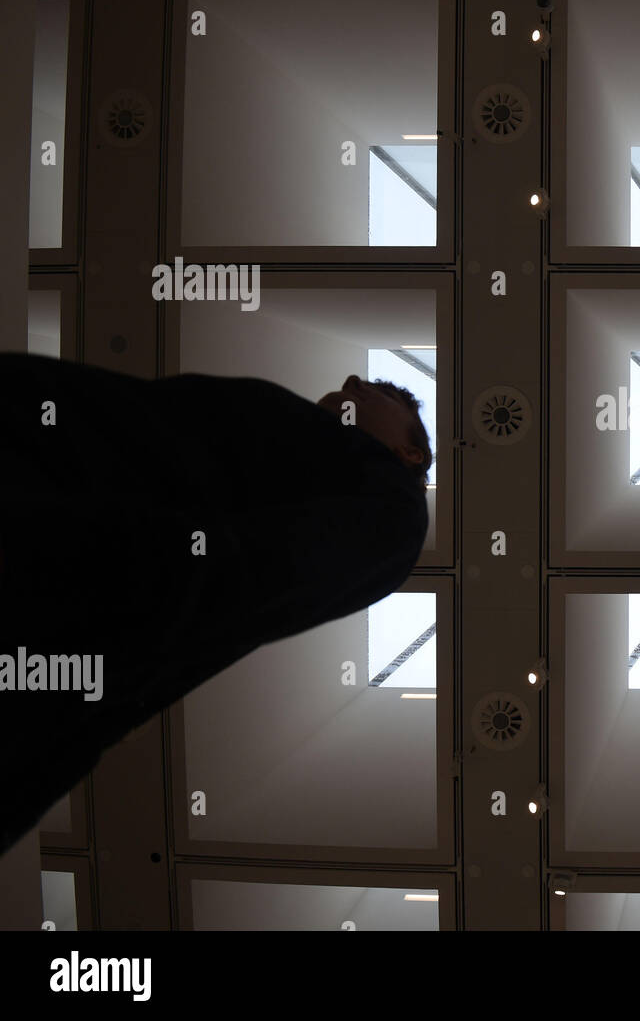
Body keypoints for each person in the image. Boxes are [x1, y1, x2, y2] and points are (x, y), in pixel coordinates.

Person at [0, 354, 431, 855]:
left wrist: (38, 550)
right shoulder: (334, 465)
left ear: (410, 453)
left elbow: (232, 570)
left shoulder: (397, 514)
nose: (353, 379)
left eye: (383, 393)